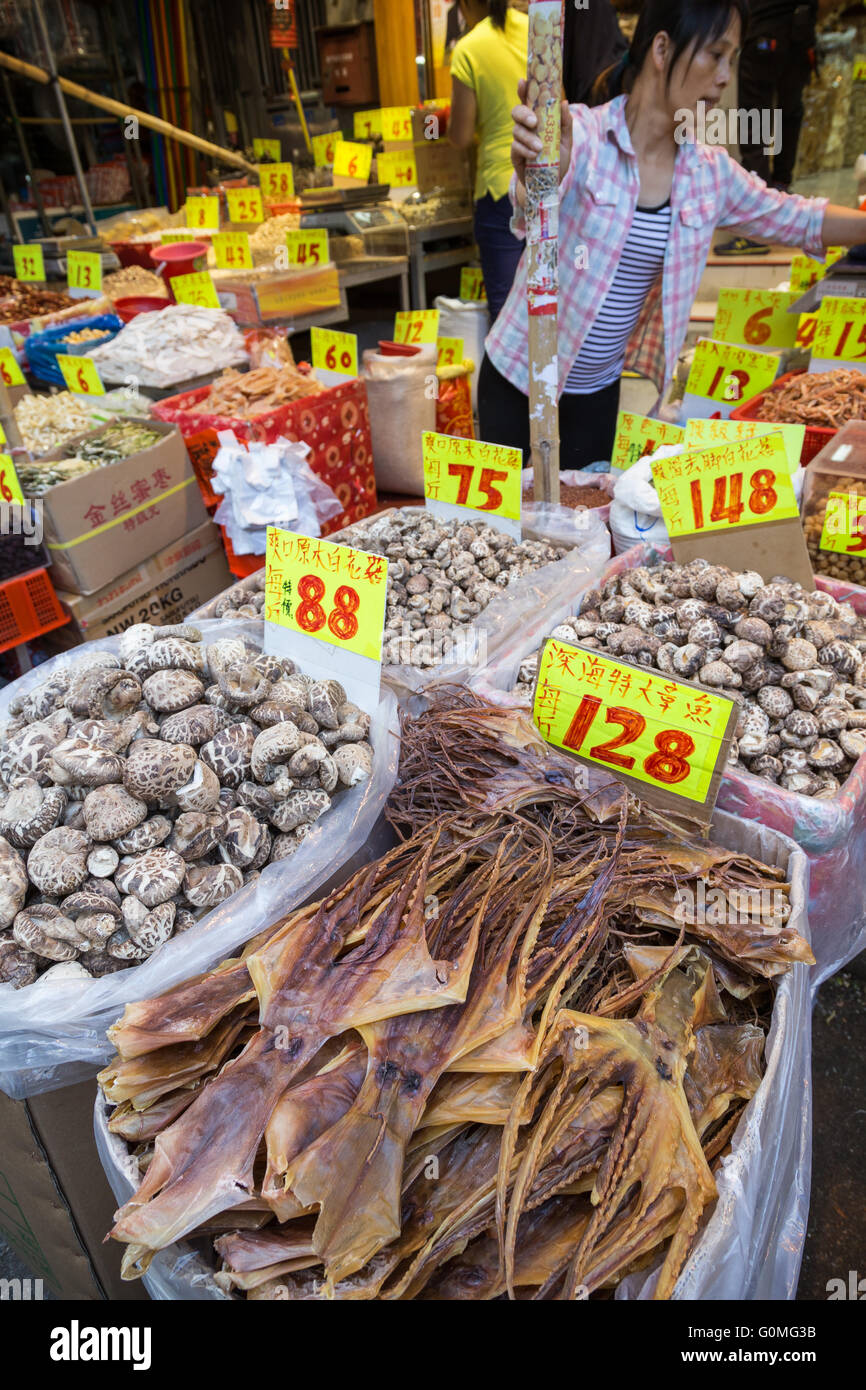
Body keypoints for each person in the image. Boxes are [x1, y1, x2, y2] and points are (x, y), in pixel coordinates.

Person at [477, 0, 866, 471]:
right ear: (662, 48)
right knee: (505, 540)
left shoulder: (709, 173)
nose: (724, 76)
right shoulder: (583, 136)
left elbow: (798, 218)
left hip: (597, 396)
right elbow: (529, 205)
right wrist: (539, 172)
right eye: (714, 55)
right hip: (518, 381)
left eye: (733, 59)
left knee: (582, 535)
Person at [449, 1, 529, 321]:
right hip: (548, 182)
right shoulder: (537, 29)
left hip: (500, 192)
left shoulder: (468, 48)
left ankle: (510, 373)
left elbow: (461, 135)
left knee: (507, 312)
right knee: (548, 303)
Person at [736, 0, 817, 192]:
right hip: (800, 35)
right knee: (789, 112)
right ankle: (780, 187)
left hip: (764, 34)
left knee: (756, 116)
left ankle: (758, 191)